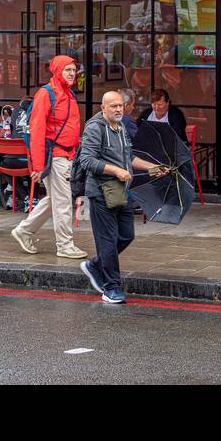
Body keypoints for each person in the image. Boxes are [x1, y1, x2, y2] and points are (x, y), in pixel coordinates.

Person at [74, 90, 169, 304]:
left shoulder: (122, 126)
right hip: (101, 192)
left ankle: (95, 265)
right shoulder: (94, 127)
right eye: (113, 106)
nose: (118, 109)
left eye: (120, 105)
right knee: (107, 241)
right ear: (103, 107)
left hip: (122, 190)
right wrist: (115, 170)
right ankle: (111, 287)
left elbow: (129, 156)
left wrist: (152, 168)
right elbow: (87, 160)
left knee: (126, 235)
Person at [10, 55, 86, 258]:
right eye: (67, 70)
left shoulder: (69, 94)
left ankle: (24, 230)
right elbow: (36, 130)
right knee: (62, 201)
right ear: (57, 71)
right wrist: (37, 165)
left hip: (67, 154)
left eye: (73, 70)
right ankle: (64, 245)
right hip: (56, 155)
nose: (72, 73)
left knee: (54, 200)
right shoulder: (46, 94)